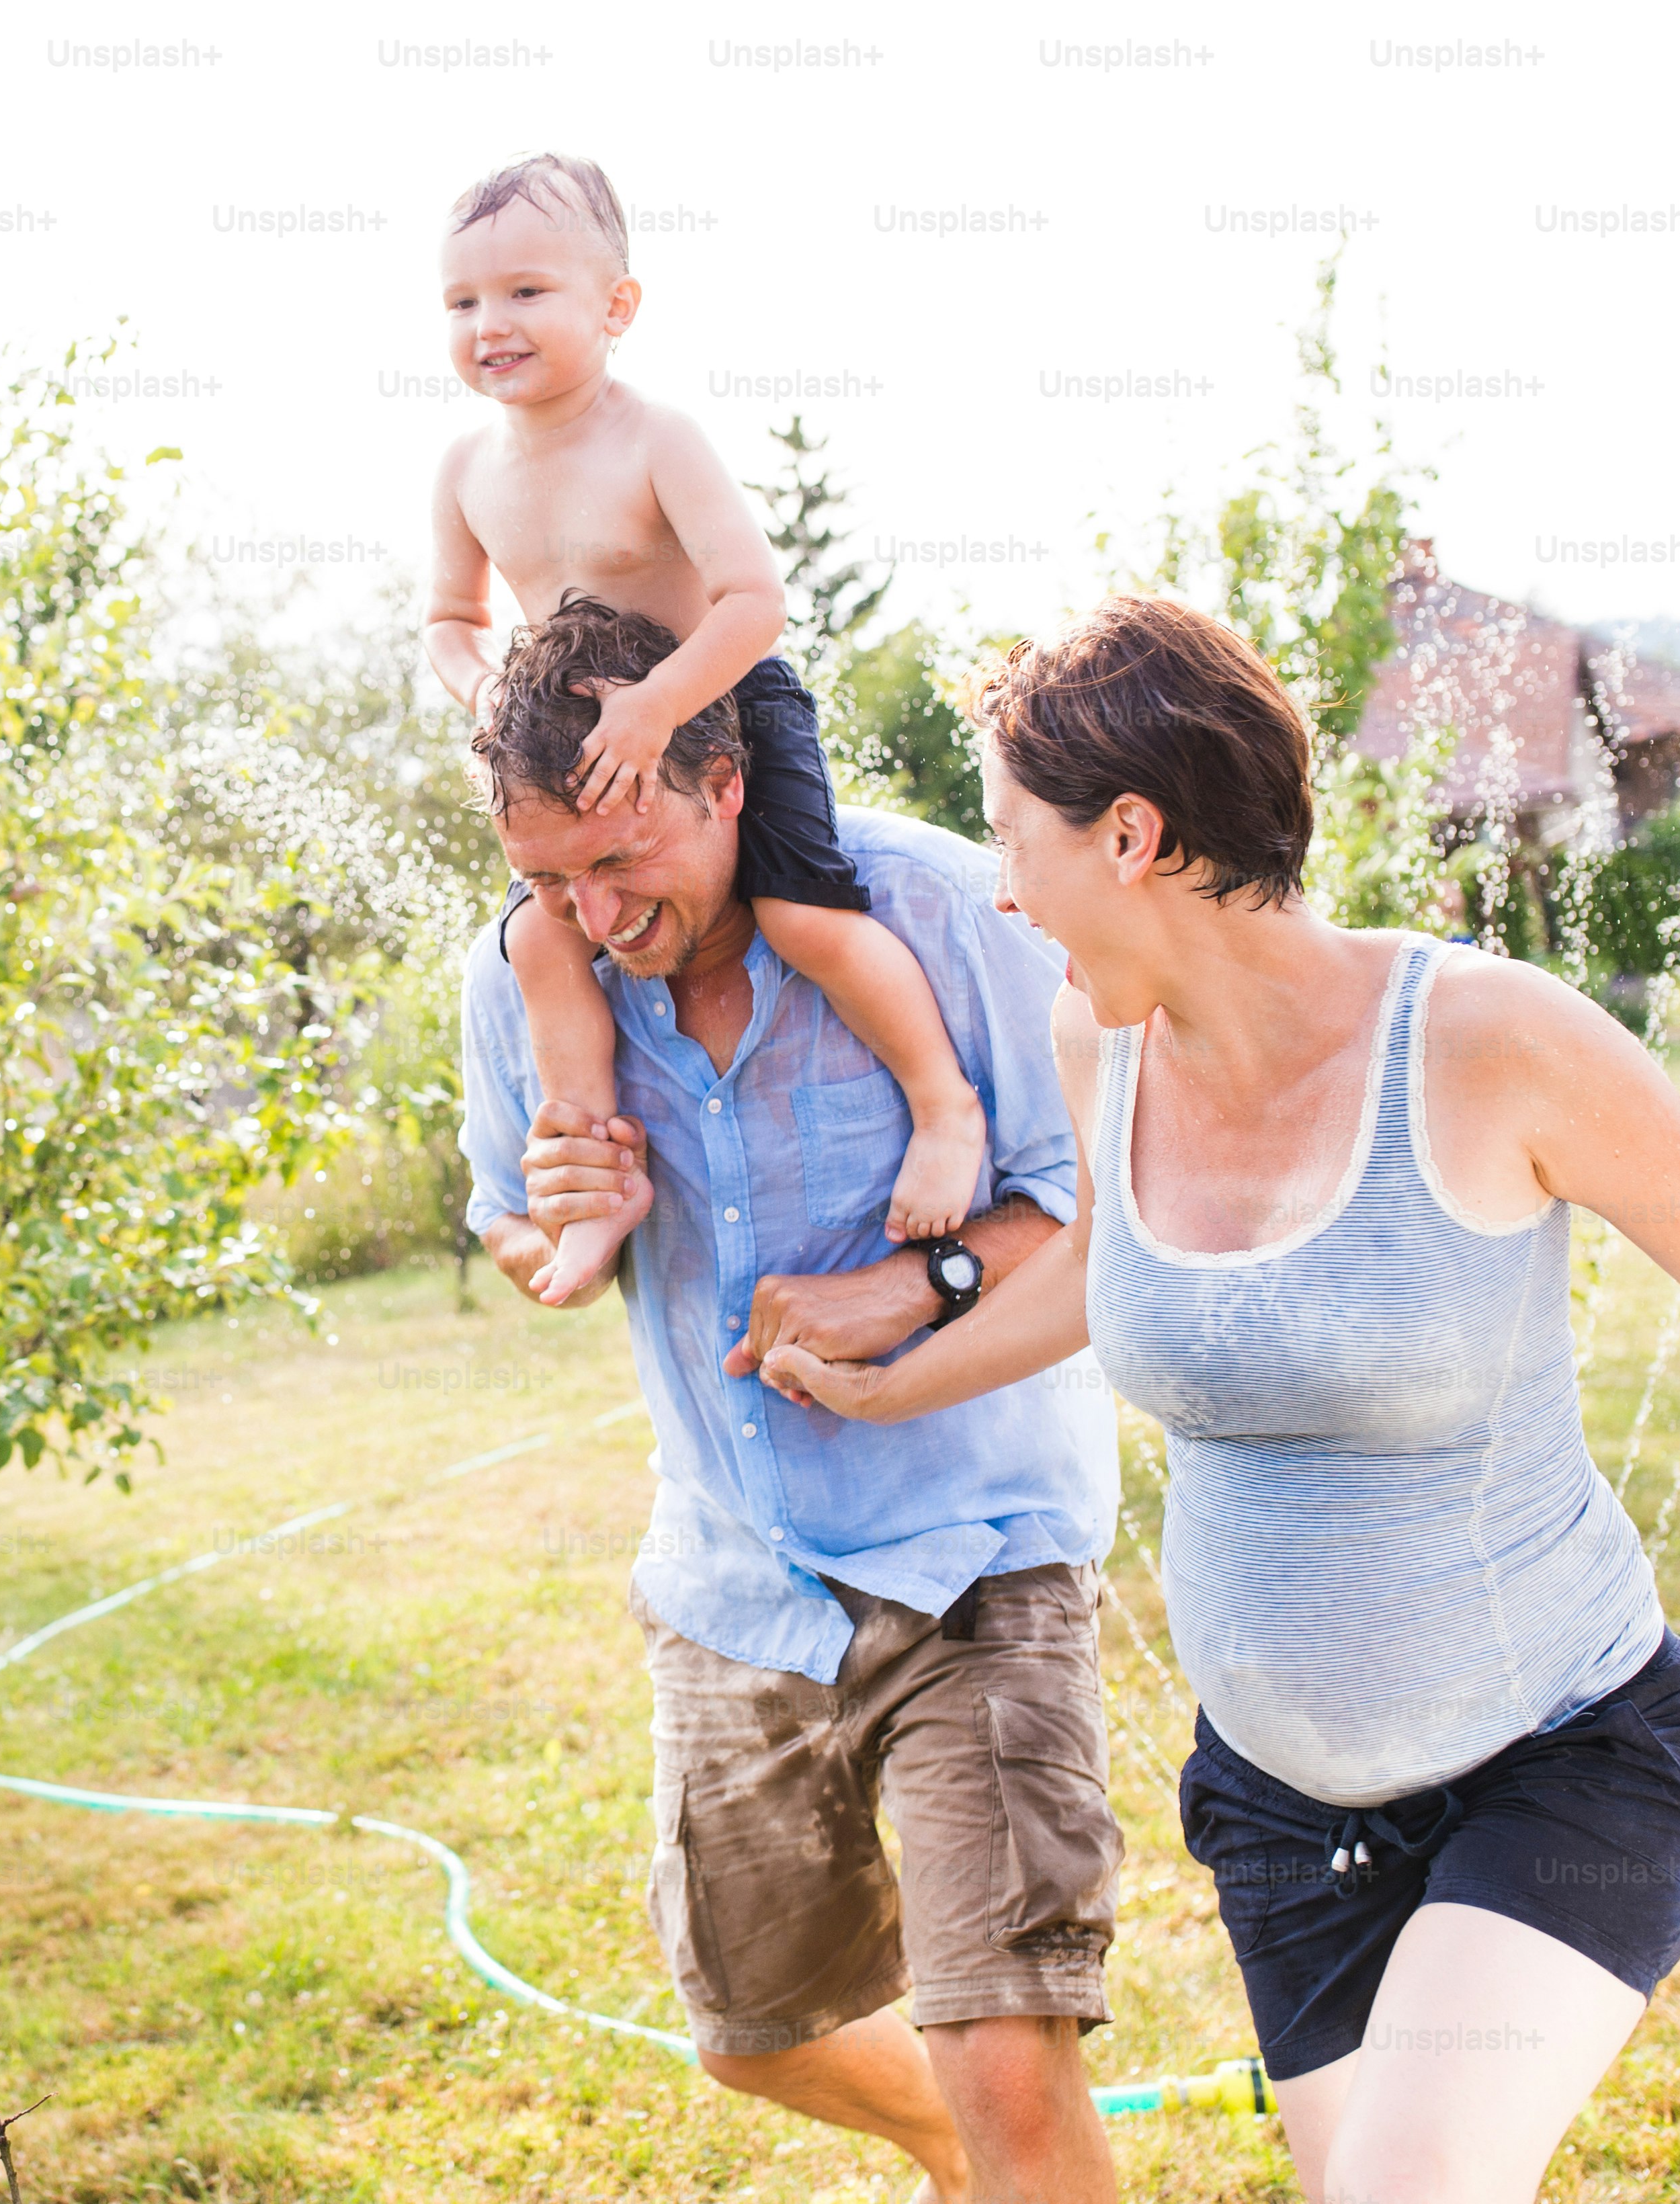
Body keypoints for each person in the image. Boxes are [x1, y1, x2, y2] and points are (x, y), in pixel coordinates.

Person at [760, 593, 1680, 2203]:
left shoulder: (1488, 1038)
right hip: (1278, 1816)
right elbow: (1097, 1276)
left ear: (1128, 832)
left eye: (1011, 842)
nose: (1001, 889)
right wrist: (885, 1384)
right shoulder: (1098, 1041)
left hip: (1561, 1761)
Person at [460, 595, 1122, 2204]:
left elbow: (1088, 1195)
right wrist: (551, 1223)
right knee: (752, 2029)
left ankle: (990, 2144)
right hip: (734, 1585)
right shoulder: (523, 967)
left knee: (1004, 2048)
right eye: (549, 877)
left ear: (724, 780)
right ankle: (945, 2158)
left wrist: (920, 1286)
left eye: (622, 863)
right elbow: (504, 1217)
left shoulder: (947, 911)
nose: (595, 914)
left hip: (972, 1553)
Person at [423, 151, 984, 1306]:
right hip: (577, 742)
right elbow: (448, 621)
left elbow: (753, 604)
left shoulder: (653, 438)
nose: (491, 324)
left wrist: (660, 704)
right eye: (462, 302)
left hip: (718, 700)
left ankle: (944, 1106)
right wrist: (492, 699)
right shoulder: (468, 467)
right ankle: (586, 1191)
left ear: (617, 307)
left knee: (801, 913)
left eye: (527, 291)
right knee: (540, 940)